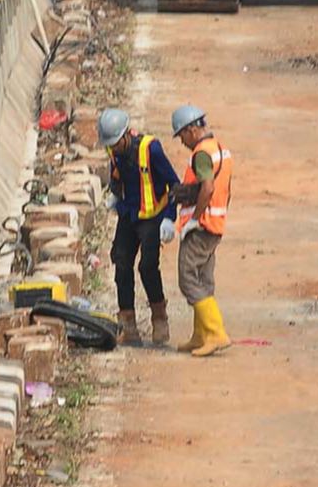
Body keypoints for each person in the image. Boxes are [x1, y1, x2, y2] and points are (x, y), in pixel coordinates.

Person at [99, 107, 179, 347]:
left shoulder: (150, 149)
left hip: (152, 217)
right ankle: (128, 325)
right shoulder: (114, 151)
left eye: (116, 143)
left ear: (126, 134)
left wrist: (169, 217)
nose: (113, 148)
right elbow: (118, 177)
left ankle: (159, 318)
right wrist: (115, 196)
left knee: (147, 267)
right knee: (121, 263)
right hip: (129, 214)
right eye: (110, 145)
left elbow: (174, 184)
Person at [170, 102, 233, 358]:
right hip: (215, 224)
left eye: (182, 135)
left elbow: (207, 188)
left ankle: (216, 333)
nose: (182, 142)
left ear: (191, 130)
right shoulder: (219, 149)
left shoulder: (202, 155)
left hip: (202, 226)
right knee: (203, 279)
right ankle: (201, 335)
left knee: (188, 277)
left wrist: (194, 220)